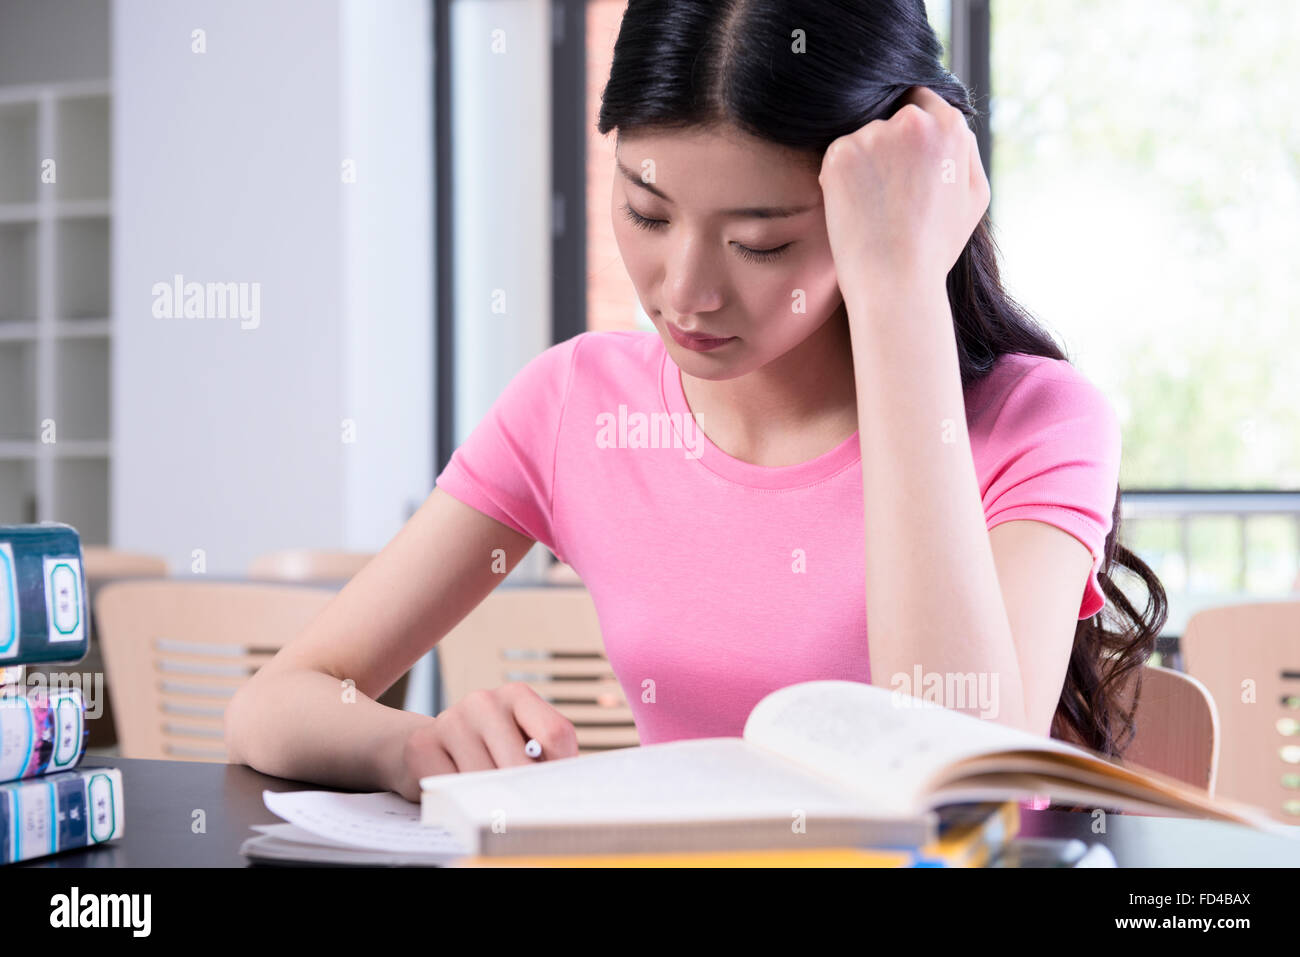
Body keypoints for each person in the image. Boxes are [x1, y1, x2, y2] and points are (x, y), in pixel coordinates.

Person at [225, 0, 1167, 804]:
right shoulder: (576, 404)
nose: (686, 291)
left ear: (883, 203)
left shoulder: (1039, 423)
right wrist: (407, 747)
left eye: (760, 242)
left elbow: (964, 786)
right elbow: (279, 700)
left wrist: (900, 292)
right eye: (646, 211)